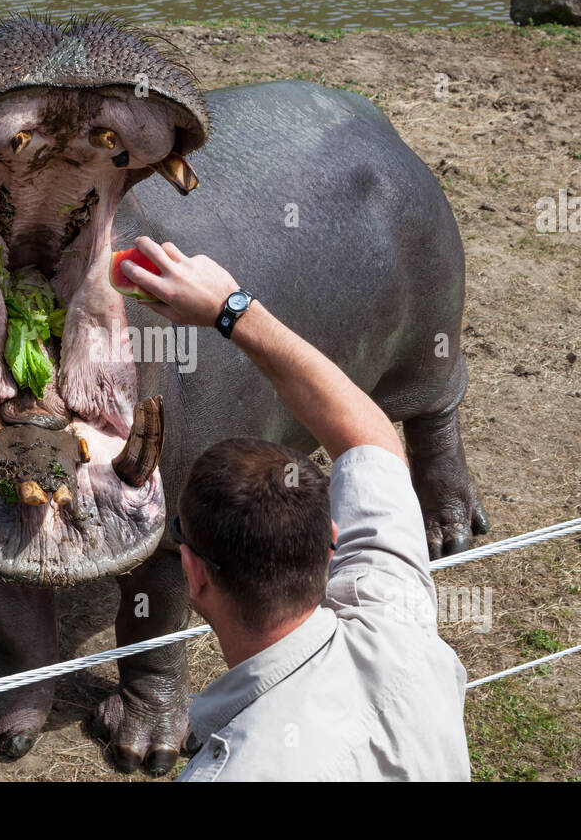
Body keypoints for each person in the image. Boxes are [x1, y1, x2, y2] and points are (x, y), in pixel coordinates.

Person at [118, 237, 472, 781]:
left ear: (191, 573)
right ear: (332, 539)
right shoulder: (396, 621)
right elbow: (368, 437)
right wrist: (230, 307)